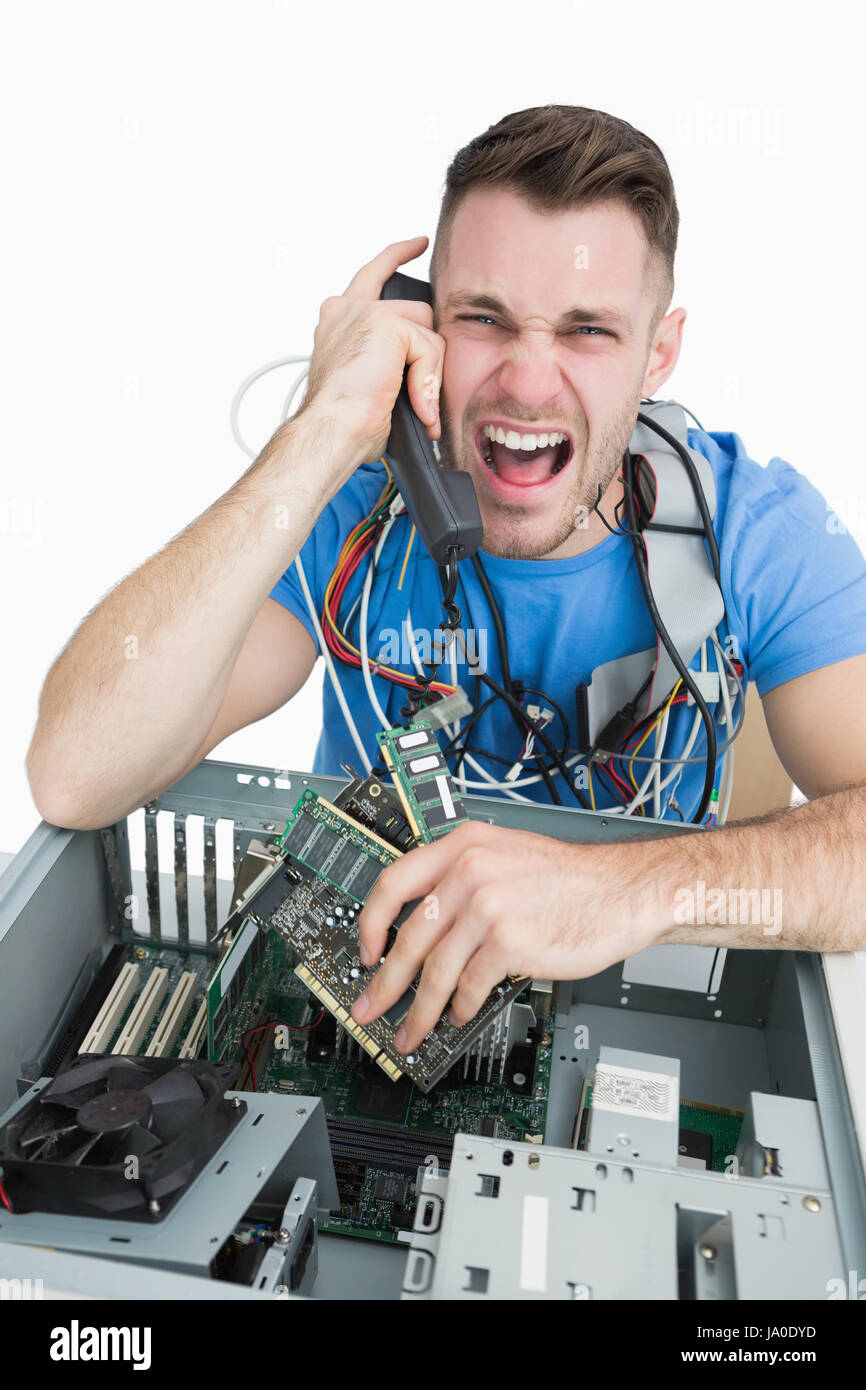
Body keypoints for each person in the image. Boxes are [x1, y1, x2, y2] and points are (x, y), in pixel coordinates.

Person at [26, 106, 866, 1059]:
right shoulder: (349, 510)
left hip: (632, 1020)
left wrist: (615, 888)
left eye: (588, 330)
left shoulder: (754, 529)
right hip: (366, 1000)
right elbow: (75, 769)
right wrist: (322, 428)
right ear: (423, 322)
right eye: (484, 318)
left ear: (658, 354)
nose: (528, 381)